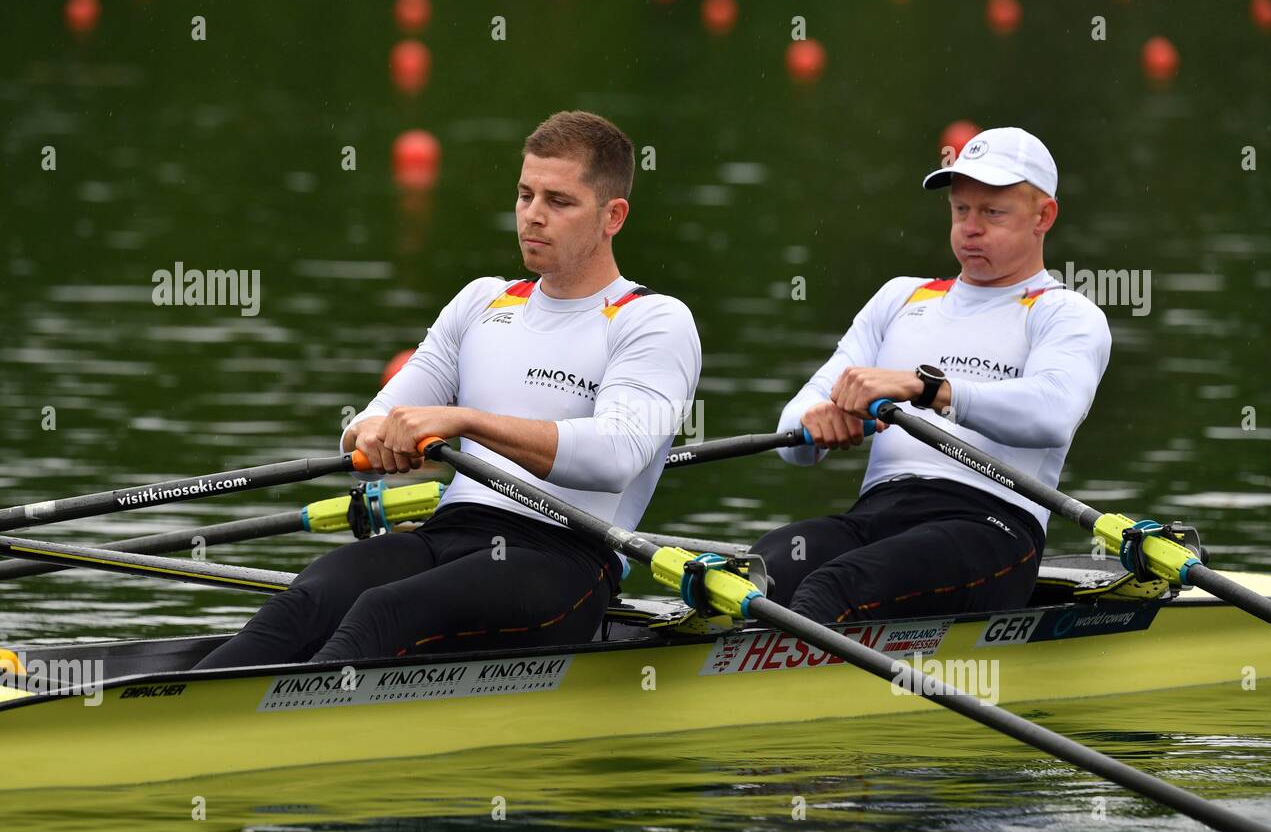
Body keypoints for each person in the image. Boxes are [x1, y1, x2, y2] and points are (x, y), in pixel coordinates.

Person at [196, 110, 701, 668]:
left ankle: (270, 729)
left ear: (613, 216)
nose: (533, 216)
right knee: (308, 598)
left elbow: (613, 459)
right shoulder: (483, 301)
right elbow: (373, 419)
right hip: (448, 532)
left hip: (563, 560)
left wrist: (464, 421)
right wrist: (372, 438)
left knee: (383, 612)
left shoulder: (652, 321)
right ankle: (174, 721)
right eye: (525, 194)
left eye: (559, 202)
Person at [753, 127, 1111, 626]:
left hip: (991, 528)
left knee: (834, 587)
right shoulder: (901, 298)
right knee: (761, 569)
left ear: (1043, 216)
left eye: (993, 212)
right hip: (879, 514)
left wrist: (928, 389)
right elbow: (790, 433)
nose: (971, 227)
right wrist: (817, 425)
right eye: (961, 210)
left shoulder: (1064, 313)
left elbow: (1051, 414)